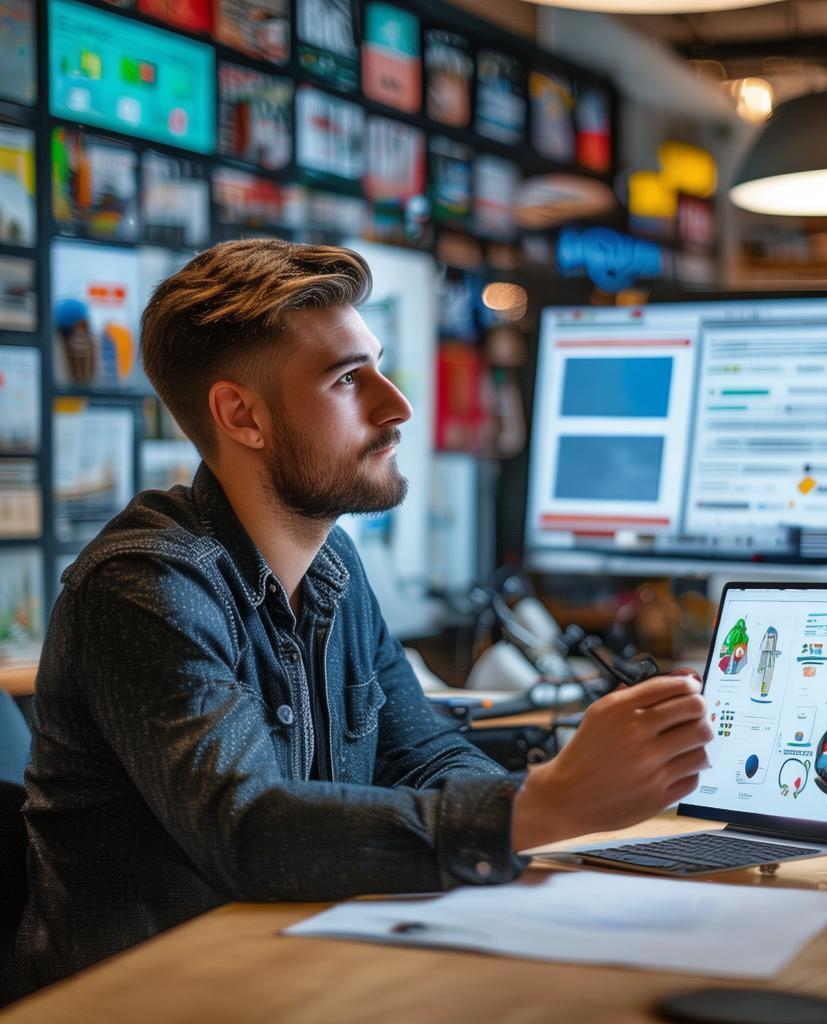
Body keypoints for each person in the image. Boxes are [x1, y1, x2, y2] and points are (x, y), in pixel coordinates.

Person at [10, 240, 713, 1000]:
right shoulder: (144, 585)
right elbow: (249, 830)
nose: (397, 404)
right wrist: (534, 809)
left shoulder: (333, 569)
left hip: (303, 976)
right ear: (241, 415)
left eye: (377, 365)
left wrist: (542, 801)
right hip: (148, 1004)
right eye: (349, 379)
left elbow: (424, 757)